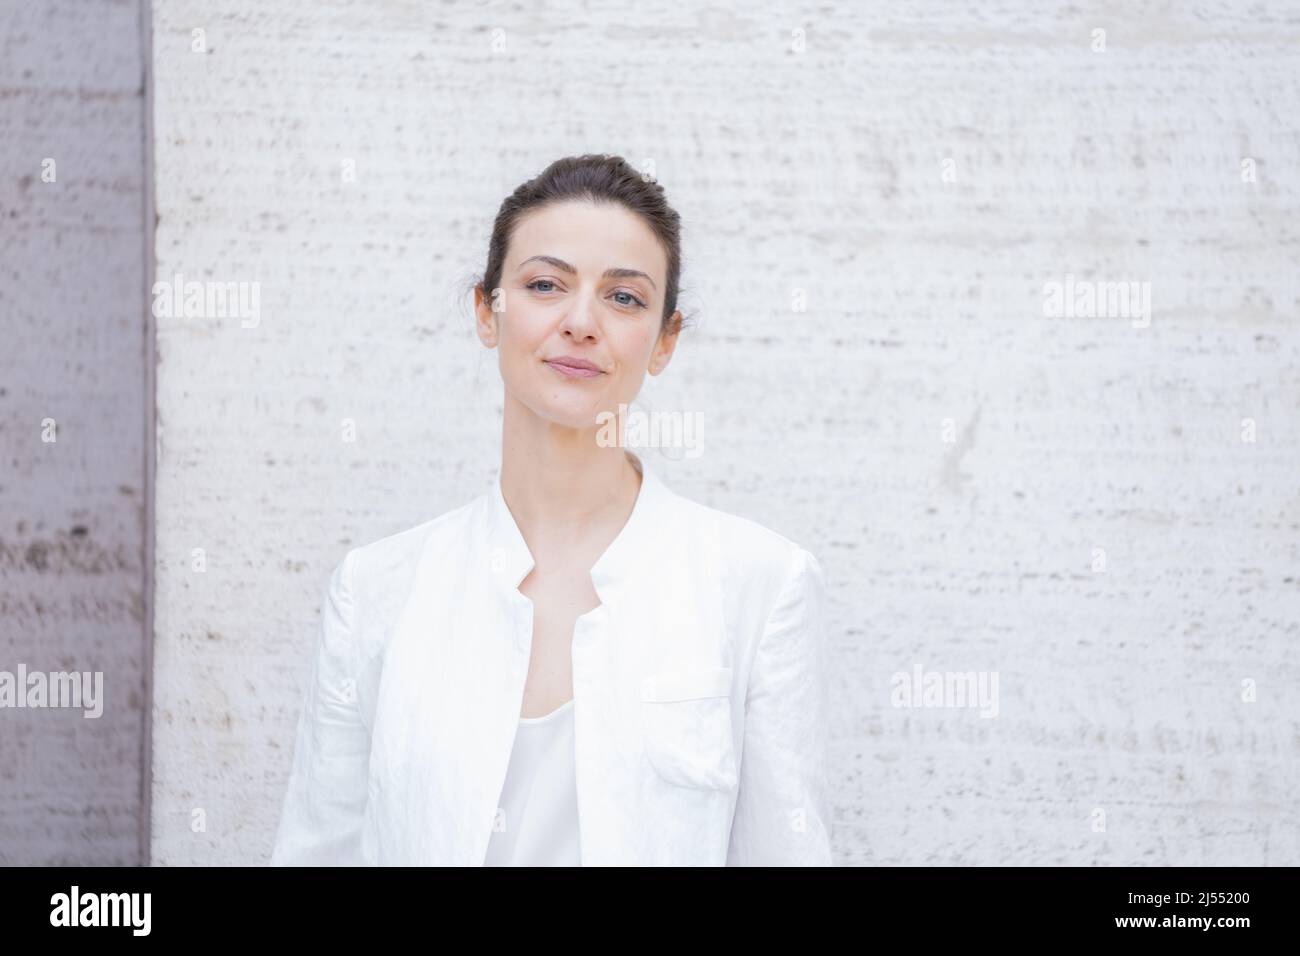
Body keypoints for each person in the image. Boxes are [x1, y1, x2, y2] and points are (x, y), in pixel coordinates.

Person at [270, 154, 831, 866]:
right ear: (486, 311)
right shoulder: (375, 591)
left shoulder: (760, 585)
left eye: (624, 298)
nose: (580, 321)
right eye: (544, 285)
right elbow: (317, 851)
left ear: (664, 341)